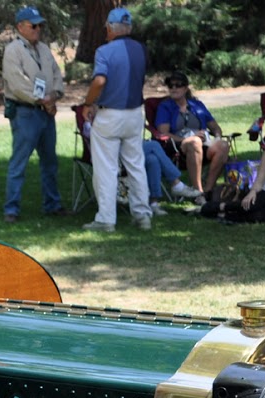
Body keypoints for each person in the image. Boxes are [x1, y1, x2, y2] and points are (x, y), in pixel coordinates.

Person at [79, 8, 151, 232]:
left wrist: (87, 103)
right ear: (129, 27)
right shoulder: (141, 49)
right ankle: (142, 215)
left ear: (110, 28)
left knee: (106, 168)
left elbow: (100, 81)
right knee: (136, 165)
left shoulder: (104, 51)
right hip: (135, 113)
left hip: (110, 114)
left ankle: (106, 219)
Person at [1, 6, 66, 223]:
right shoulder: (13, 51)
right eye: (34, 25)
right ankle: (11, 209)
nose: (38, 29)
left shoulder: (44, 49)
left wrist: (54, 96)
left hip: (46, 112)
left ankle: (53, 205)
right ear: (20, 27)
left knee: (50, 162)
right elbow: (18, 83)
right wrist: (42, 100)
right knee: (19, 162)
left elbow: (56, 75)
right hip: (25, 112)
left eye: (40, 26)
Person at [154, 72, 230, 195]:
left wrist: (217, 138)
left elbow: (215, 127)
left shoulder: (197, 105)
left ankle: (208, 190)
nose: (174, 88)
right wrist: (187, 138)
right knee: (194, 141)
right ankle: (198, 191)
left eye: (178, 85)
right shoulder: (165, 107)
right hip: (177, 146)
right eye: (171, 86)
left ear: (185, 88)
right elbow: (164, 133)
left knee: (223, 145)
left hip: (203, 144)